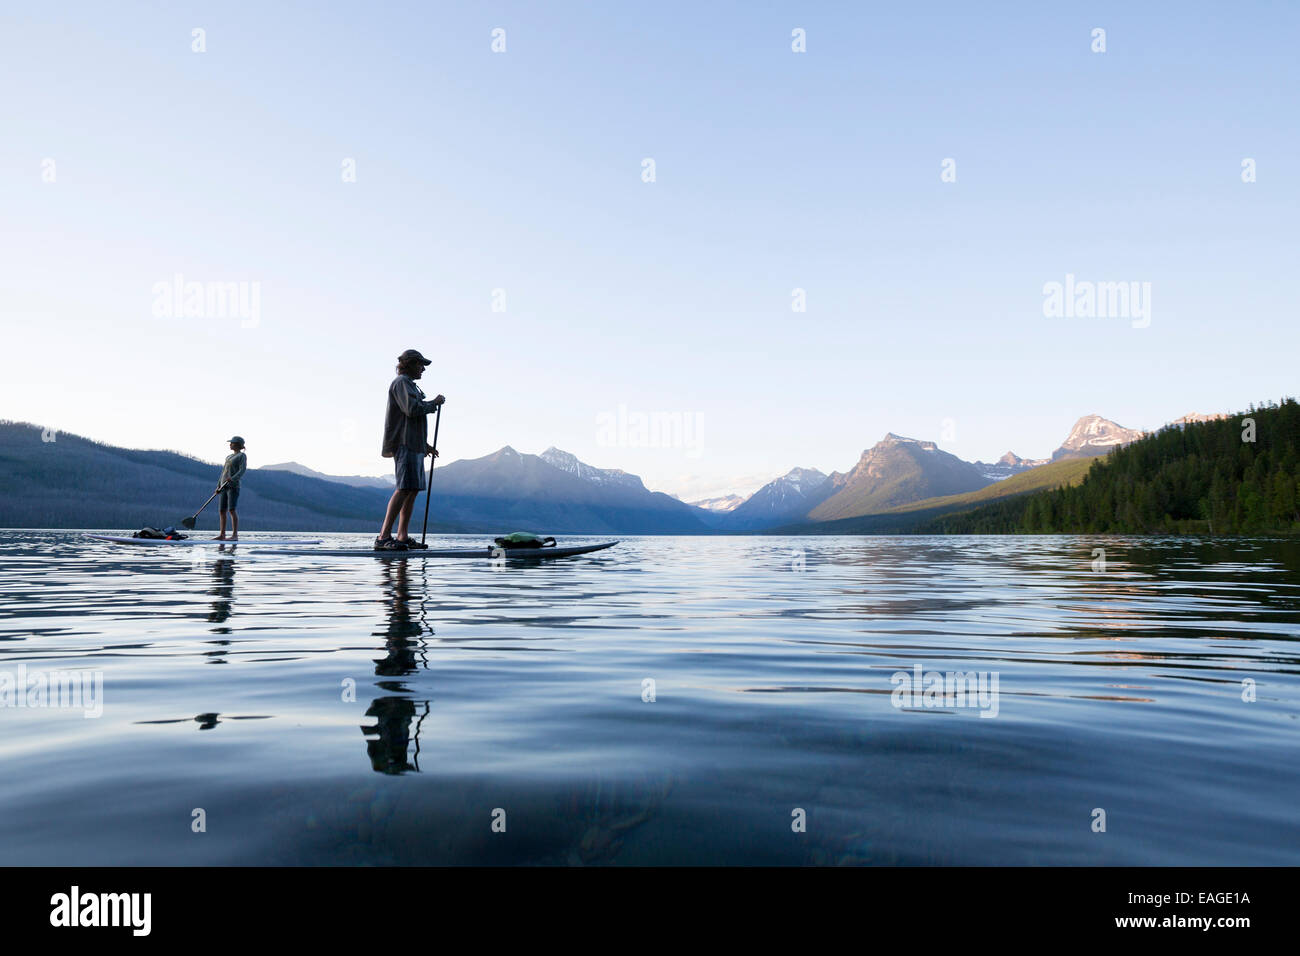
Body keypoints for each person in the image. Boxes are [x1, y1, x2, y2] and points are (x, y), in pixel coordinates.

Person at [377, 349, 444, 550]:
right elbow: (411, 410)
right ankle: (383, 537)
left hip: (414, 445)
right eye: (420, 365)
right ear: (410, 364)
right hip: (404, 444)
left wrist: (425, 445)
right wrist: (433, 403)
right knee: (404, 488)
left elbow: (412, 418)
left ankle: (402, 536)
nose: (423, 369)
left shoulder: (410, 385)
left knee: (412, 490)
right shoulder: (401, 383)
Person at [216, 436, 247, 540]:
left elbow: (242, 470)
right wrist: (218, 486)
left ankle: (235, 535)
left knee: (232, 509)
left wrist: (233, 478)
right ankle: (222, 534)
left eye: (232, 443)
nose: (230, 444)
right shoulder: (228, 457)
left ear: (237, 444)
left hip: (233, 486)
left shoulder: (242, 456)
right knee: (221, 510)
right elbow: (223, 472)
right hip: (224, 486)